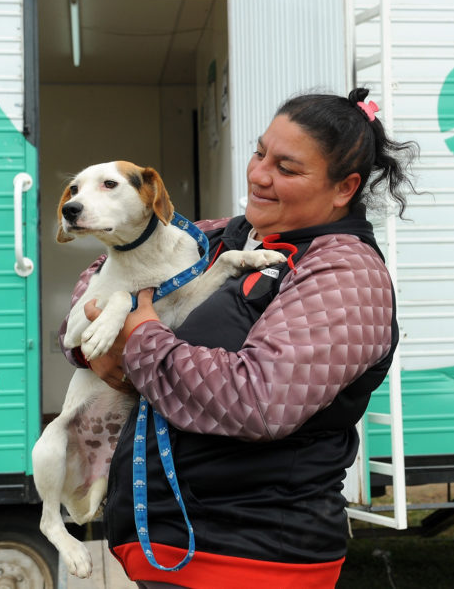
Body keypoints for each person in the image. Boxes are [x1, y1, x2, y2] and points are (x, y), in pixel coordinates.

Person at [64, 87, 417, 588]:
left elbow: (258, 401)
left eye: (286, 168)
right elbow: (106, 268)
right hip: (174, 548)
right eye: (260, 153)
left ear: (344, 188)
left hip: (252, 558)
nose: (259, 175)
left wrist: (138, 341)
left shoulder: (345, 273)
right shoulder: (227, 236)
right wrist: (93, 345)